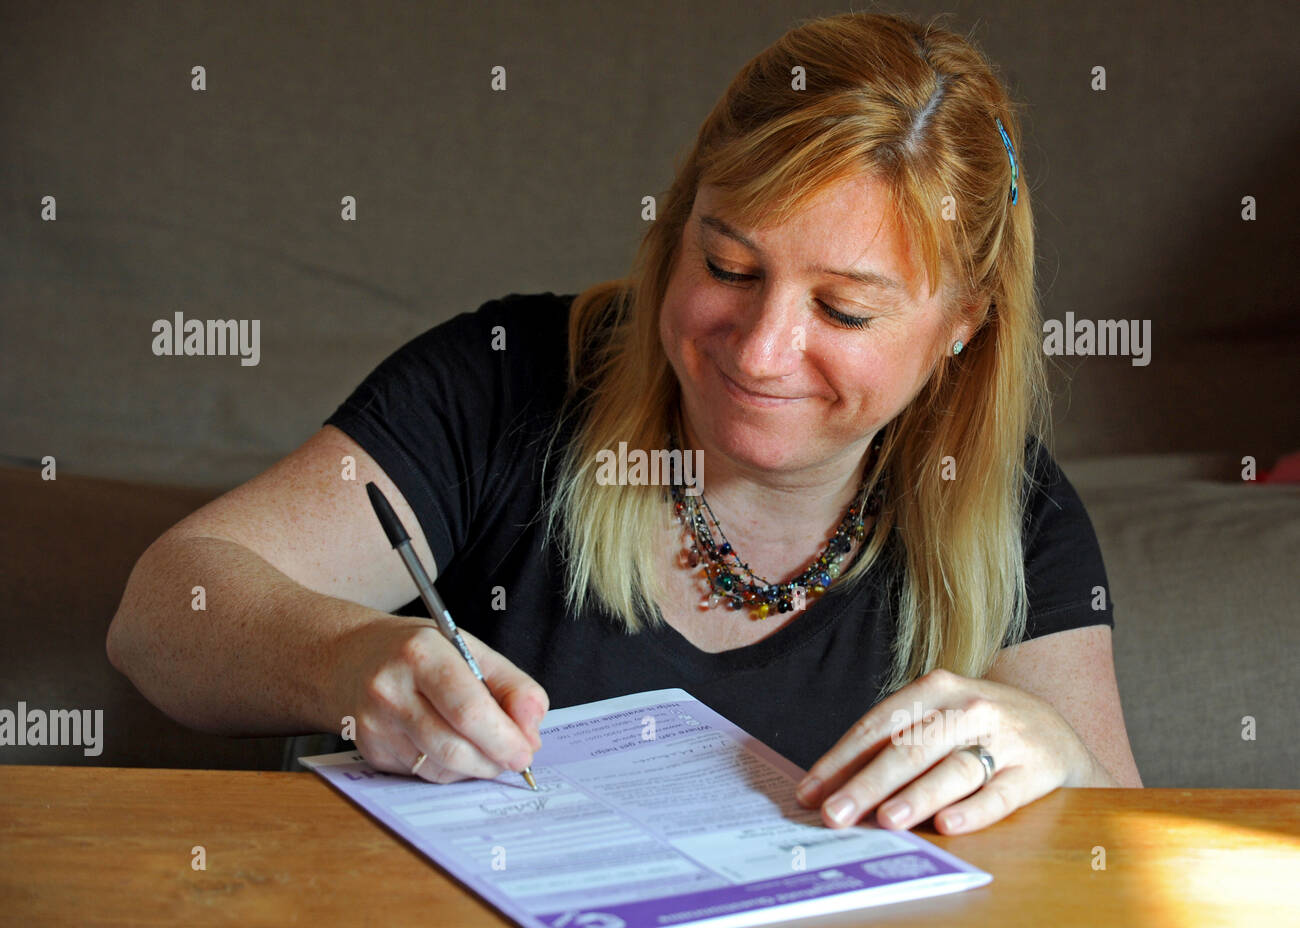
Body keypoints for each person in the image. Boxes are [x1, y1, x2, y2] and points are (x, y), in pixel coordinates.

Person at [107, 11, 1142, 839]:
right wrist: (342, 660)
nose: (758, 348)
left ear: (961, 324)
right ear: (675, 228)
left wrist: (1060, 757)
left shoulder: (1006, 500)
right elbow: (161, 614)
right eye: (727, 268)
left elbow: (1119, 856)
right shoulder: (507, 380)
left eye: (843, 310)